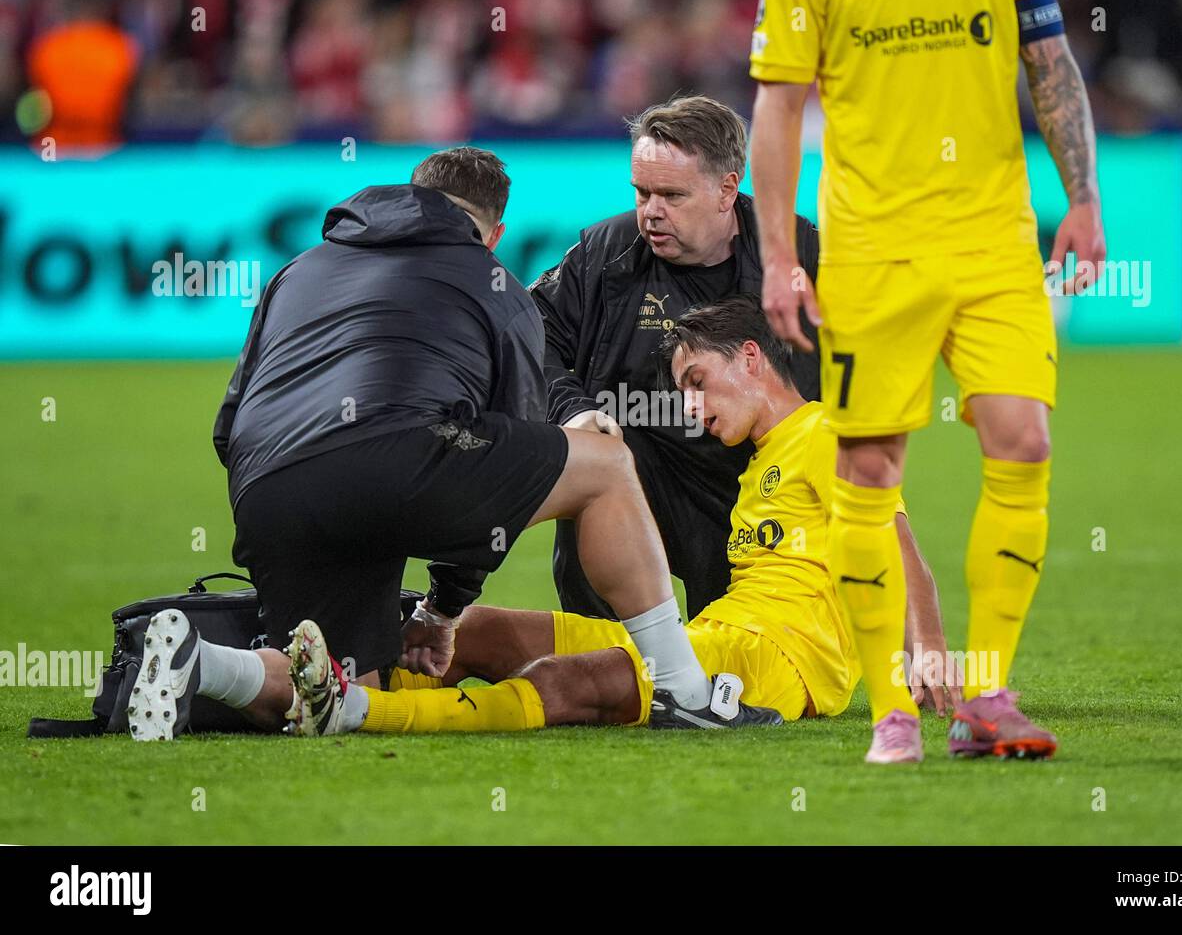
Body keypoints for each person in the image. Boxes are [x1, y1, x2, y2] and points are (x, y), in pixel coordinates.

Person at [128, 147, 775, 742]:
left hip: (268, 484)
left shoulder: (299, 270)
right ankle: (685, 690)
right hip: (402, 459)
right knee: (604, 462)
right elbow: (510, 465)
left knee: (348, 688)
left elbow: (228, 422)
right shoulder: (496, 289)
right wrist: (443, 610)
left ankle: (203, 662)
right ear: (494, 234)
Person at [278, 297, 956, 742]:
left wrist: (925, 650)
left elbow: (897, 547)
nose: (690, 406)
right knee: (479, 632)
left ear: (751, 356)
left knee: (559, 682)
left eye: (697, 381)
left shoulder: (824, 433)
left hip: (778, 661)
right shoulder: (759, 464)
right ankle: (292, 685)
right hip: (710, 637)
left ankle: (356, 711)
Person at [749, 0, 1106, 760]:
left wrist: (1083, 197)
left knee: (1025, 441)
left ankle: (988, 698)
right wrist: (778, 258)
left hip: (995, 243)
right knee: (870, 471)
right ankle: (892, 712)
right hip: (874, 252)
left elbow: (1049, 60)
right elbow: (777, 105)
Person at [532, 95, 820, 621]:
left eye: (671, 194)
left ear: (727, 190)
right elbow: (528, 335)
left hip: (756, 486)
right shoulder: (604, 253)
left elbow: (861, 366)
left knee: (739, 668)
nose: (651, 211)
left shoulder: (801, 257)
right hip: (635, 471)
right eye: (642, 192)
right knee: (596, 463)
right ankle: (601, 664)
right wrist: (571, 407)